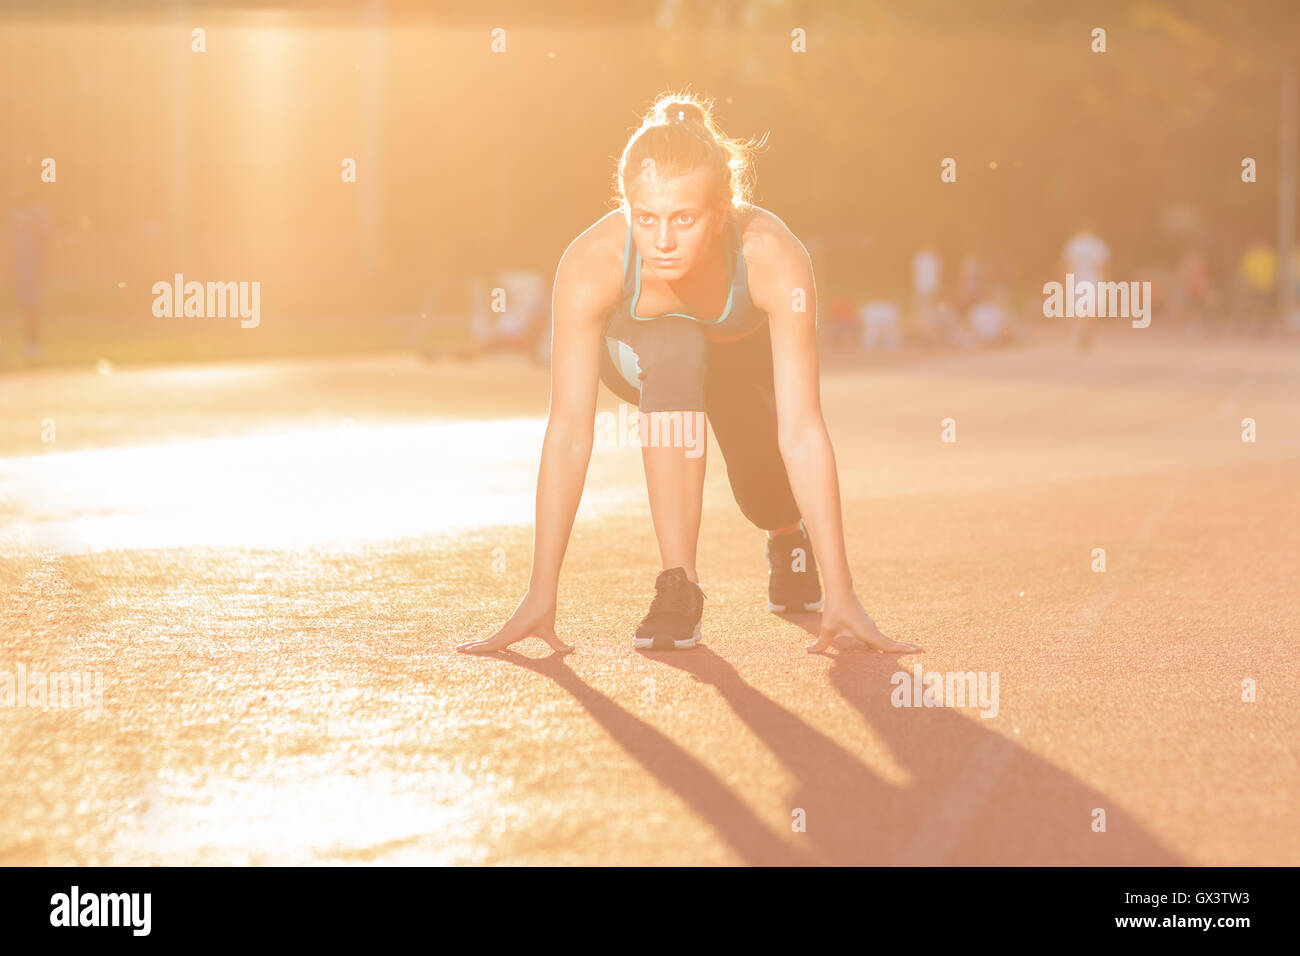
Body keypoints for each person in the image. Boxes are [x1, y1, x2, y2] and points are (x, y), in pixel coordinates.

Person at [458, 94, 920, 655]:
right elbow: (570, 432)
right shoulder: (591, 263)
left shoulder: (772, 255)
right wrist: (539, 592)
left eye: (684, 219)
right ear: (626, 208)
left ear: (721, 211)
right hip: (641, 359)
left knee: (763, 493)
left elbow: (801, 431)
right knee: (675, 344)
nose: (664, 241)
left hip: (736, 362)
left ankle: (785, 538)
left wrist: (843, 590)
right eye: (646, 219)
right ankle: (679, 584)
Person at [10, 186, 53, 362]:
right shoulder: (16, 213)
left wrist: (44, 265)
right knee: (23, 305)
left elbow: (47, 240)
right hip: (20, 265)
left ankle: (33, 343)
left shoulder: (39, 214)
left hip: (33, 265)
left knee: (32, 306)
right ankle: (27, 342)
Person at [1061, 225, 1110, 350]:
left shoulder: (1074, 244)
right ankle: (1087, 333)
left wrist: (1065, 280)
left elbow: (1066, 264)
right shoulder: (1097, 245)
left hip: (1077, 279)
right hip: (1094, 279)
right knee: (1092, 309)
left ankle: (1081, 332)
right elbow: (1103, 266)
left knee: (1080, 308)